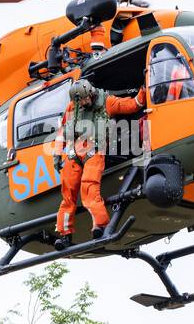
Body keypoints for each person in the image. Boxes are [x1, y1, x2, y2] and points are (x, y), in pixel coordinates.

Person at [52, 79, 146, 249]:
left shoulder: (107, 102)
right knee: (68, 192)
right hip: (74, 153)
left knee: (89, 188)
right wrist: (57, 154)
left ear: (90, 93)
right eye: (79, 101)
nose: (82, 104)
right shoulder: (73, 107)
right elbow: (63, 131)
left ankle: (99, 225)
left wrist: (143, 93)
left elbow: (132, 105)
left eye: (84, 100)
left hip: (94, 152)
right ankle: (65, 234)